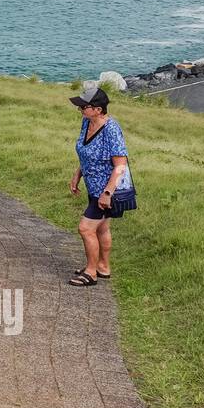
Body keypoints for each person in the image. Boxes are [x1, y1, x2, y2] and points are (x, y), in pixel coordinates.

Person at [67, 84, 131, 286]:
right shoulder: (87, 123)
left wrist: (107, 193)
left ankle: (91, 272)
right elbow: (86, 153)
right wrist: (78, 174)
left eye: (84, 107)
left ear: (98, 109)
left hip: (105, 190)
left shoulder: (111, 129)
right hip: (93, 186)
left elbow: (120, 165)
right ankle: (103, 267)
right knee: (102, 228)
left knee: (85, 228)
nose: (80, 110)